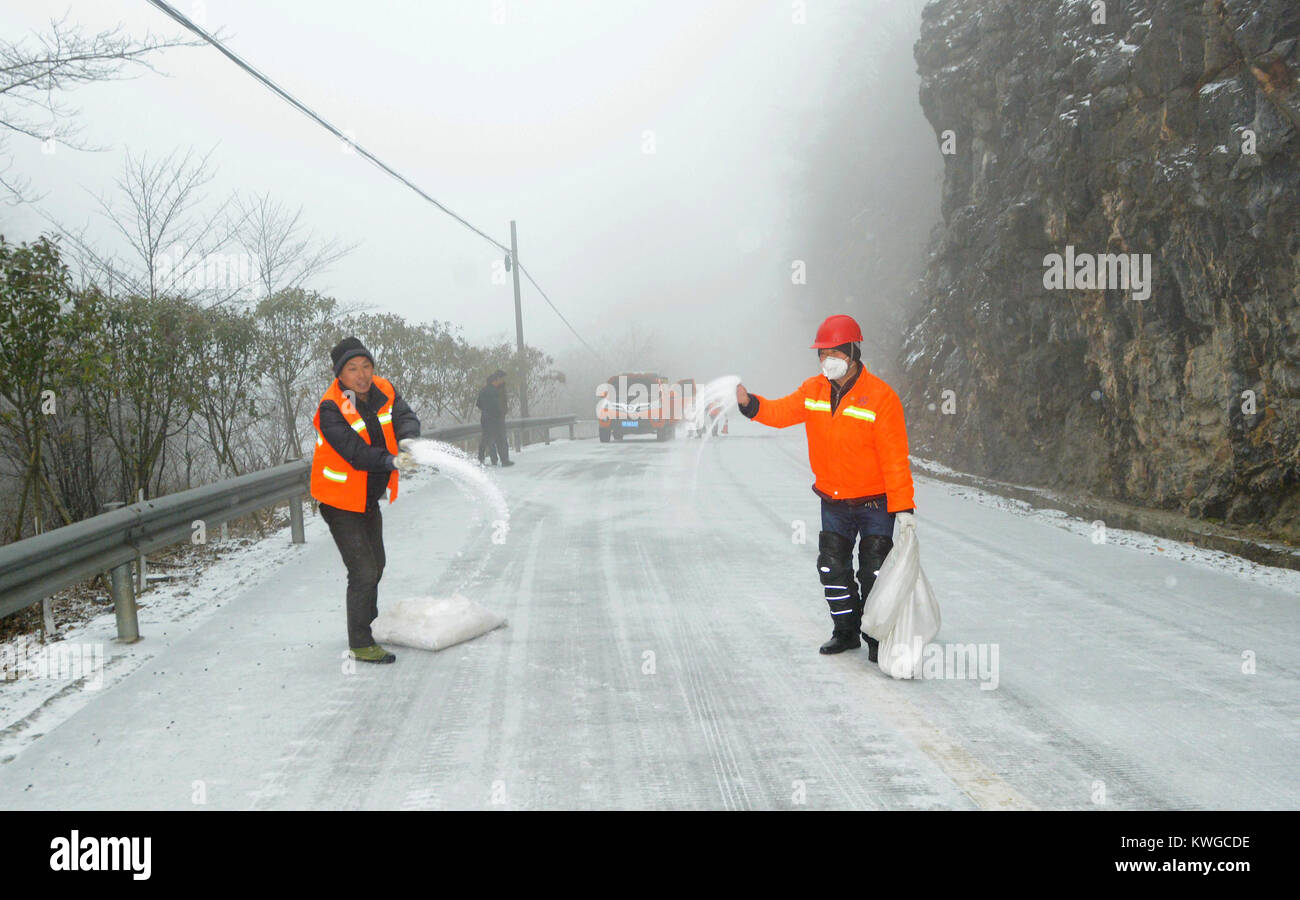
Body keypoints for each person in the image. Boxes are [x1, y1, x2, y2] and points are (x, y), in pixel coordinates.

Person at [736, 314, 916, 660]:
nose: (825, 360)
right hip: (833, 500)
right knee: (832, 567)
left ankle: (878, 637)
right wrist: (749, 405)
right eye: (821, 353)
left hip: (875, 503)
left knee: (875, 570)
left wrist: (904, 508)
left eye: (832, 353)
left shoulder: (880, 397)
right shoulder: (812, 390)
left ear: (852, 351)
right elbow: (779, 413)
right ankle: (845, 631)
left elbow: (895, 458)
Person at [311, 336, 421, 664]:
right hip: (339, 500)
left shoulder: (384, 389)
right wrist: (391, 461)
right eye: (352, 369)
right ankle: (360, 642)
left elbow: (405, 416)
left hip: (367, 497)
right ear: (339, 375)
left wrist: (407, 441)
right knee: (363, 570)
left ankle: (370, 626)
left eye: (366, 366)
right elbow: (355, 453)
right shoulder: (331, 407)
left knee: (377, 565)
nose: (361, 375)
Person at [475, 369, 514, 467]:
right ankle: (504, 461)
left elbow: (478, 404)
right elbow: (497, 405)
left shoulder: (483, 390)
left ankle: (481, 460)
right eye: (500, 379)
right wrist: (500, 413)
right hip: (496, 419)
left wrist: (486, 410)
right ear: (495, 380)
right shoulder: (495, 391)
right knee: (501, 439)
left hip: (485, 418)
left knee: (485, 439)